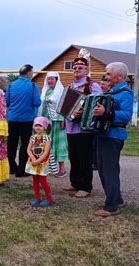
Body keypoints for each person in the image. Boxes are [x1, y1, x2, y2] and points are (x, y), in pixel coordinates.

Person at [93, 62, 133, 217]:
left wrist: (106, 113)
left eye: (109, 74)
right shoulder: (111, 92)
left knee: (109, 170)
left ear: (120, 76)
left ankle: (111, 207)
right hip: (103, 134)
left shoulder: (125, 93)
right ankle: (117, 199)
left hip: (113, 135)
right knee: (103, 169)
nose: (106, 76)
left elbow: (126, 116)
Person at [64, 56, 102, 198]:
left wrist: (83, 110)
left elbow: (97, 103)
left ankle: (85, 186)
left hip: (84, 127)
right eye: (74, 68)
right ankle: (75, 183)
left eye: (80, 68)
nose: (77, 70)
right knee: (73, 156)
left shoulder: (93, 86)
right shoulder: (71, 86)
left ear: (87, 70)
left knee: (84, 157)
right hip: (70, 126)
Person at [5, 64, 41, 177]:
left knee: (11, 144)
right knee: (25, 145)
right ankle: (22, 169)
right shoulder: (33, 86)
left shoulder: (11, 85)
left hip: (12, 119)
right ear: (29, 73)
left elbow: (6, 102)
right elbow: (37, 103)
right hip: (26, 120)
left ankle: (10, 167)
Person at [37, 71, 68, 177]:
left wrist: (62, 119)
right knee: (47, 143)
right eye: (48, 79)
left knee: (59, 143)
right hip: (47, 121)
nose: (50, 81)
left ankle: (62, 169)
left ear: (56, 80)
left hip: (57, 120)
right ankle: (50, 167)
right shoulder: (46, 91)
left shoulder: (61, 91)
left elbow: (64, 106)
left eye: (52, 79)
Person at [26, 116, 55, 208]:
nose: (38, 127)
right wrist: (33, 159)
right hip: (33, 162)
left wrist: (38, 160)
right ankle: (37, 198)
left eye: (40, 125)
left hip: (42, 163)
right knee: (35, 180)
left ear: (45, 127)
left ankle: (49, 199)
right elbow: (28, 149)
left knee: (43, 181)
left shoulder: (47, 138)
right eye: (36, 125)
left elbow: (46, 152)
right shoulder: (33, 137)